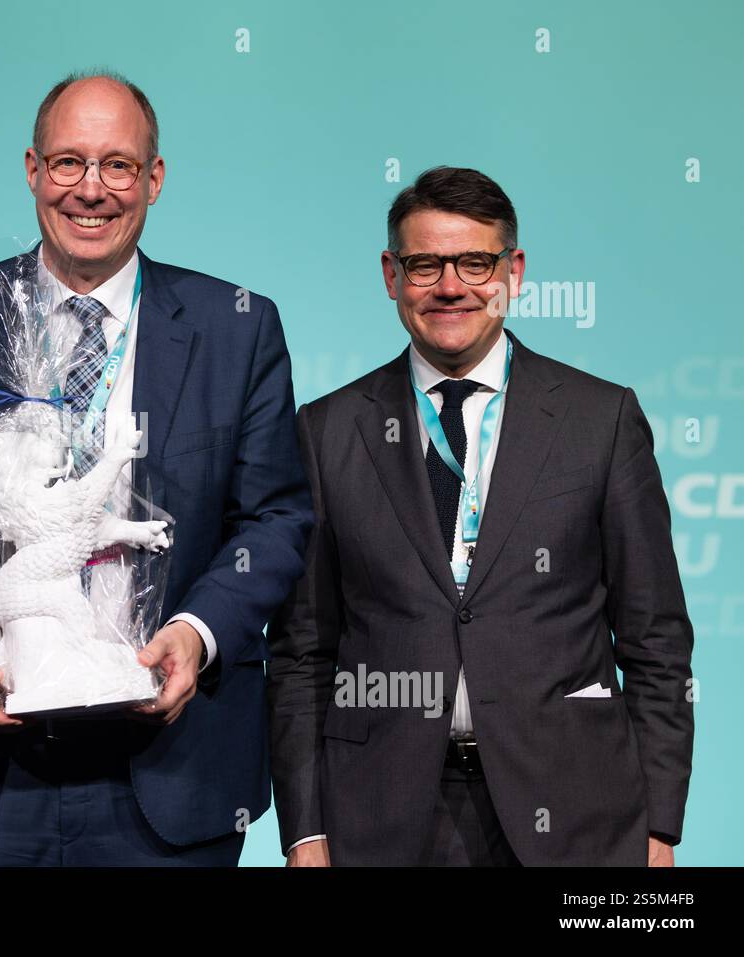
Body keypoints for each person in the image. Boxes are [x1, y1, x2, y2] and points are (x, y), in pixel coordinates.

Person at [0, 72, 313, 865]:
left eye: (118, 165)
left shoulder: (236, 326)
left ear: (155, 179)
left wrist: (196, 634)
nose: (90, 190)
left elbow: (274, 518)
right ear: (32, 169)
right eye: (68, 163)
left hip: (171, 769)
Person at [267, 166, 694, 866]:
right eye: (425, 263)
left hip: (581, 816)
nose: (450, 285)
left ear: (513, 270)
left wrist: (660, 825)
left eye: (475, 262)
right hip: (381, 819)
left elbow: (656, 639)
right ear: (391, 274)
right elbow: (302, 653)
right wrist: (305, 830)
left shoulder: (600, 419)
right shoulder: (328, 429)